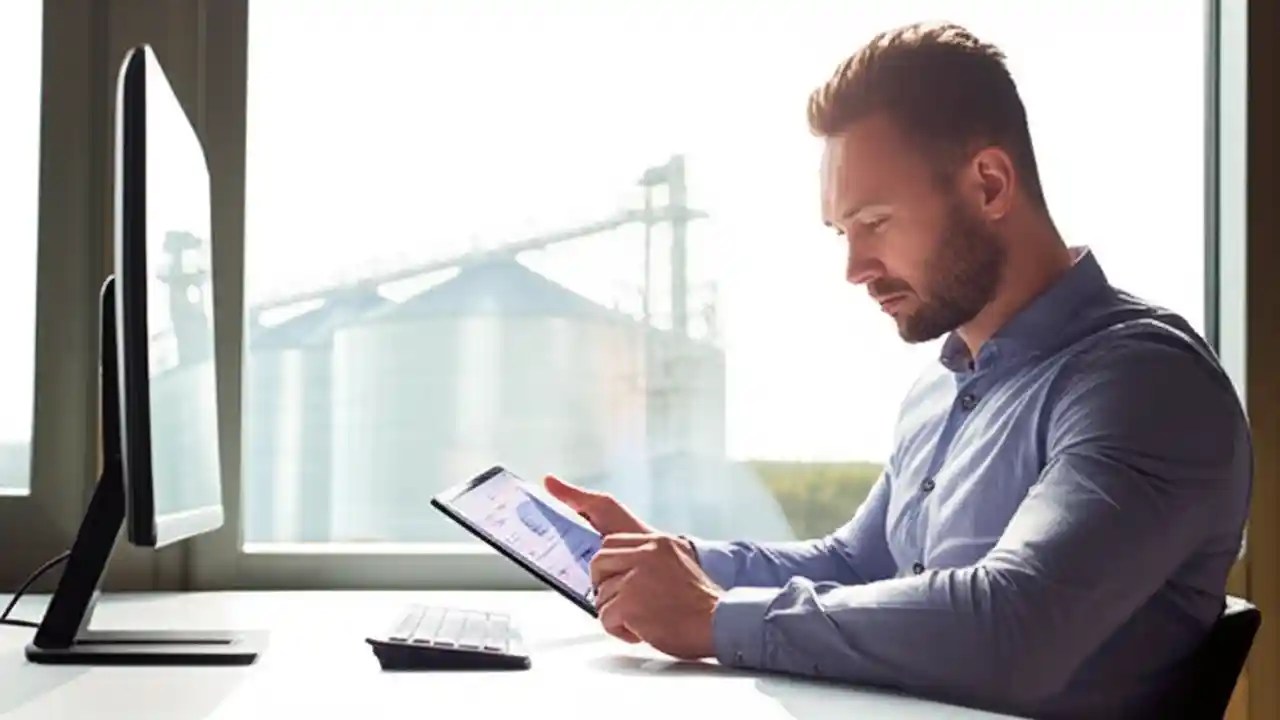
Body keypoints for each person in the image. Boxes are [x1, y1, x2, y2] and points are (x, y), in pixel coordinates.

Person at [541, 20, 1253, 720]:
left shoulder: (1144, 384)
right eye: (842, 233)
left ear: (990, 183)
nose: (853, 269)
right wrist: (673, 561)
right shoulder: (945, 388)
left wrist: (715, 616)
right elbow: (857, 566)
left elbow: (1014, 626)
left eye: (875, 222)